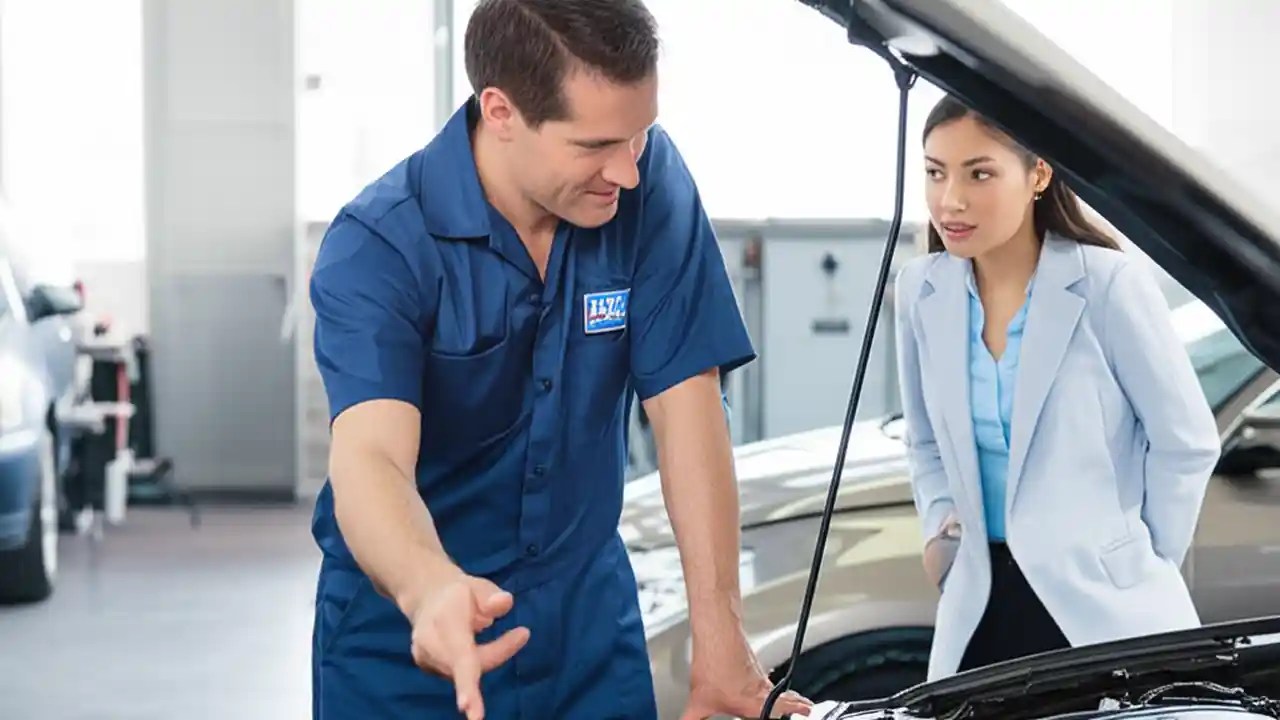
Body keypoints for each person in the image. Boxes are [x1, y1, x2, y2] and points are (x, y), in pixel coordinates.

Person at [306, 1, 812, 719]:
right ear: (501, 111)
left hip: (587, 637)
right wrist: (428, 587)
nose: (627, 172)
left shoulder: (648, 184)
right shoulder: (379, 245)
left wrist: (721, 639)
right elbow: (370, 459)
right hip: (413, 645)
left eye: (640, 135)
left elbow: (688, 408)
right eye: (596, 145)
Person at [893, 95, 1222, 681]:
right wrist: (938, 531)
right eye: (935, 172)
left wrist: (1137, 557)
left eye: (980, 173)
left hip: (1103, 610)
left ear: (1038, 174)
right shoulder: (920, 290)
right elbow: (923, 443)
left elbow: (1186, 442)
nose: (951, 200)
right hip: (979, 605)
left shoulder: (1108, 284)